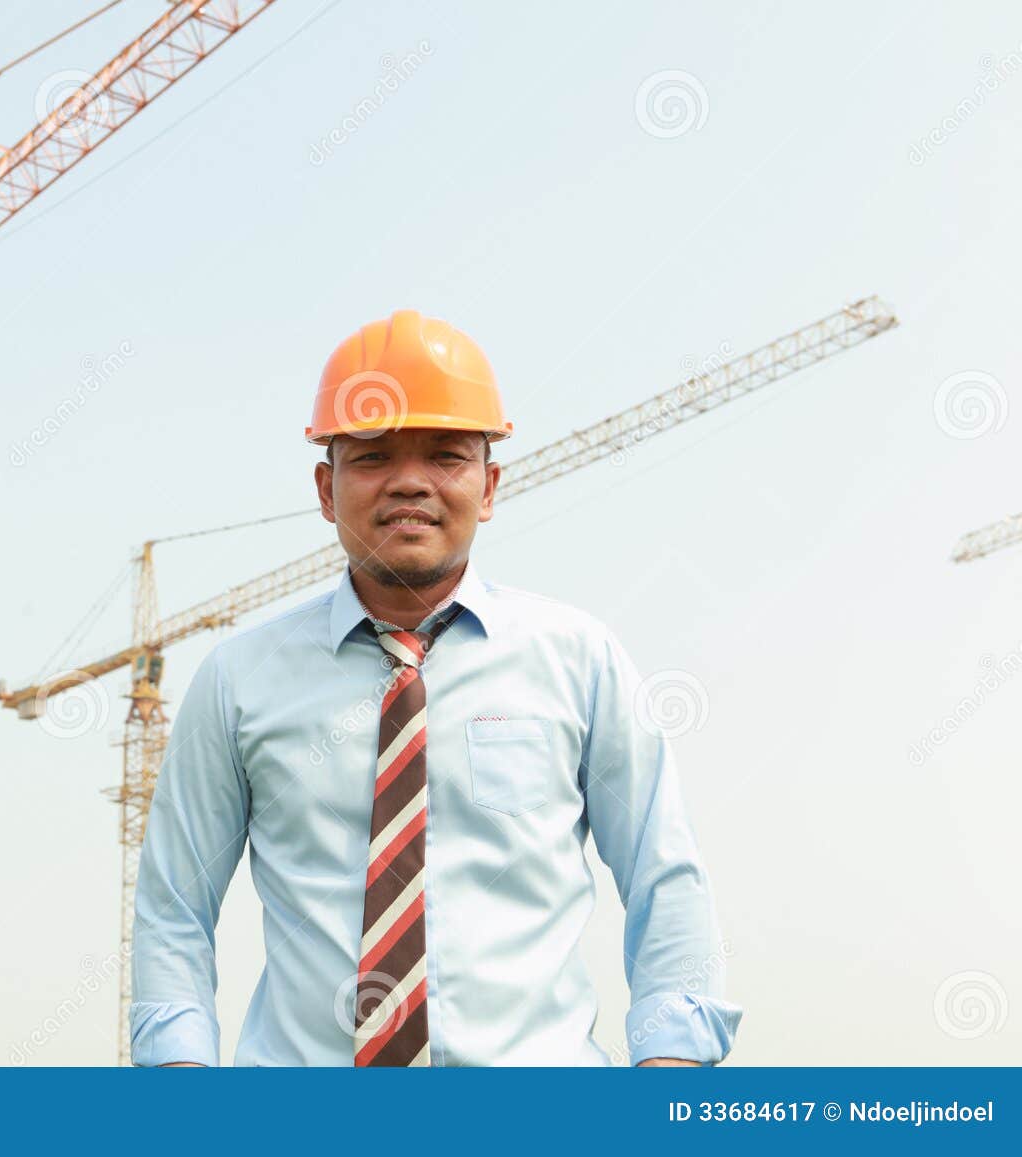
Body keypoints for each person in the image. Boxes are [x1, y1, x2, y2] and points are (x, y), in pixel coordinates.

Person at [129, 309, 743, 1066]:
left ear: (488, 486)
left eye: (446, 455)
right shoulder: (237, 681)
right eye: (374, 456)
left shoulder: (579, 660)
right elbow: (173, 909)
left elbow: (665, 876)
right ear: (327, 489)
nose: (410, 482)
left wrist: (668, 1072)